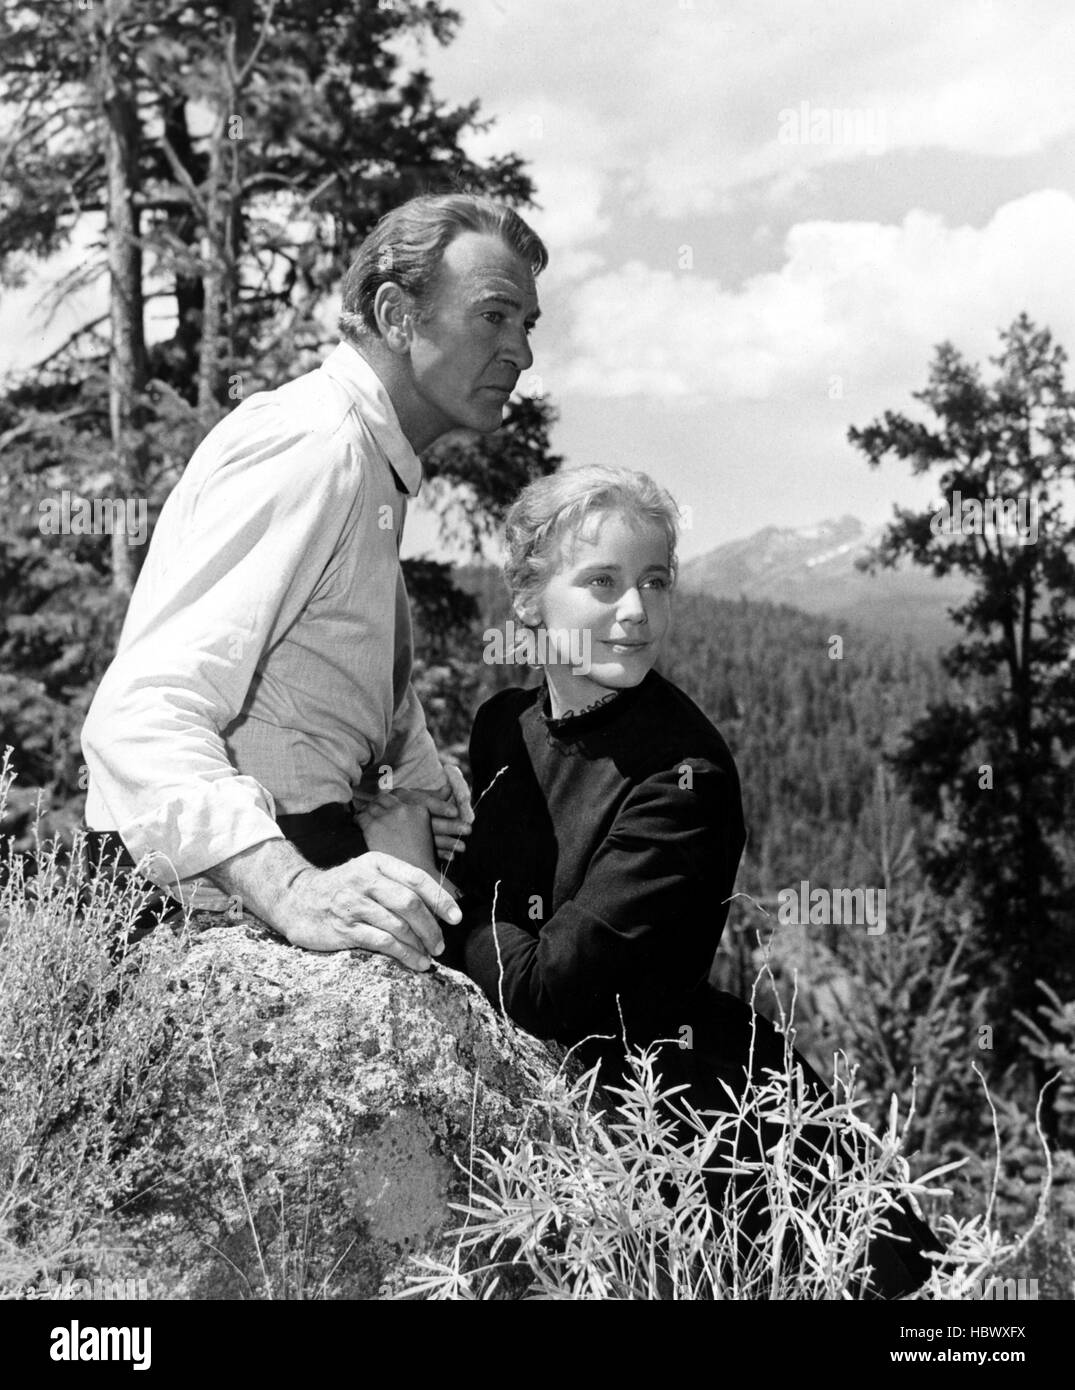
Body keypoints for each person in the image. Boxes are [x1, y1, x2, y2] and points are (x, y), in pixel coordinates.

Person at [423, 463, 943, 1297]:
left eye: (655, 583)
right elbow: (503, 901)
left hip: (703, 1128)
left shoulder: (681, 773)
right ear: (527, 596)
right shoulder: (502, 730)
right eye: (602, 582)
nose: (635, 613)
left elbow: (545, 989)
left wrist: (445, 912)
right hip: (587, 1115)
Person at [80, 193, 546, 970]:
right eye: (494, 316)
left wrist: (427, 789)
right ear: (397, 314)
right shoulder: (313, 445)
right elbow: (139, 714)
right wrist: (293, 890)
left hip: (292, 854)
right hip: (210, 899)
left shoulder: (368, 458)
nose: (521, 354)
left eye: (526, 326)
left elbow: (334, 668)